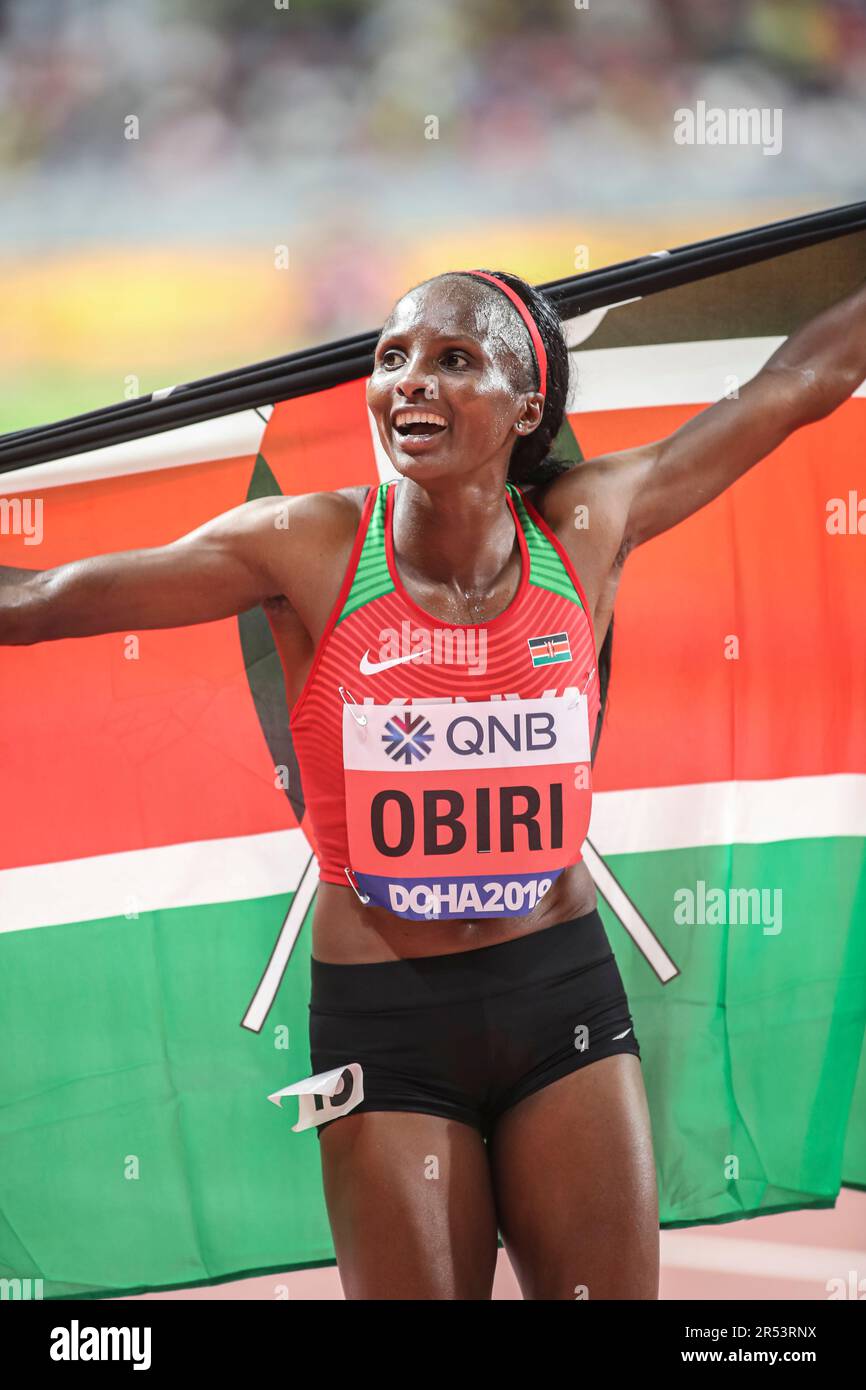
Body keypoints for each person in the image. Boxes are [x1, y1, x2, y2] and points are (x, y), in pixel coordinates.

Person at [2, 266, 865, 1301]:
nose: (409, 382)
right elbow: (43, 597)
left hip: (562, 1002)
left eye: (454, 360)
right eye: (391, 358)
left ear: (526, 405)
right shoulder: (312, 545)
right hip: (386, 1023)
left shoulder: (587, 525)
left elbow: (799, 380)